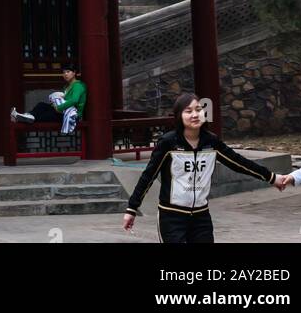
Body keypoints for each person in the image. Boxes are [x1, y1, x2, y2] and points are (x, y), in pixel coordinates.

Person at [122, 92, 284, 243]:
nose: (194, 114)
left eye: (198, 109)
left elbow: (239, 163)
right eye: (188, 111)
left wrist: (271, 177)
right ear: (179, 116)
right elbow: (148, 176)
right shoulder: (169, 143)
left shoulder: (211, 142)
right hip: (171, 217)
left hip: (201, 216)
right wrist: (132, 208)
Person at [11, 66, 86, 134]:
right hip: (62, 111)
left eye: (68, 72)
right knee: (42, 105)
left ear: (74, 73)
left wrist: (58, 107)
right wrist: (55, 103)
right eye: (63, 72)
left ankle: (25, 118)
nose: (65, 74)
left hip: (71, 115)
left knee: (45, 116)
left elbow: (74, 100)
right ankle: (30, 116)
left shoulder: (78, 85)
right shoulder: (67, 86)